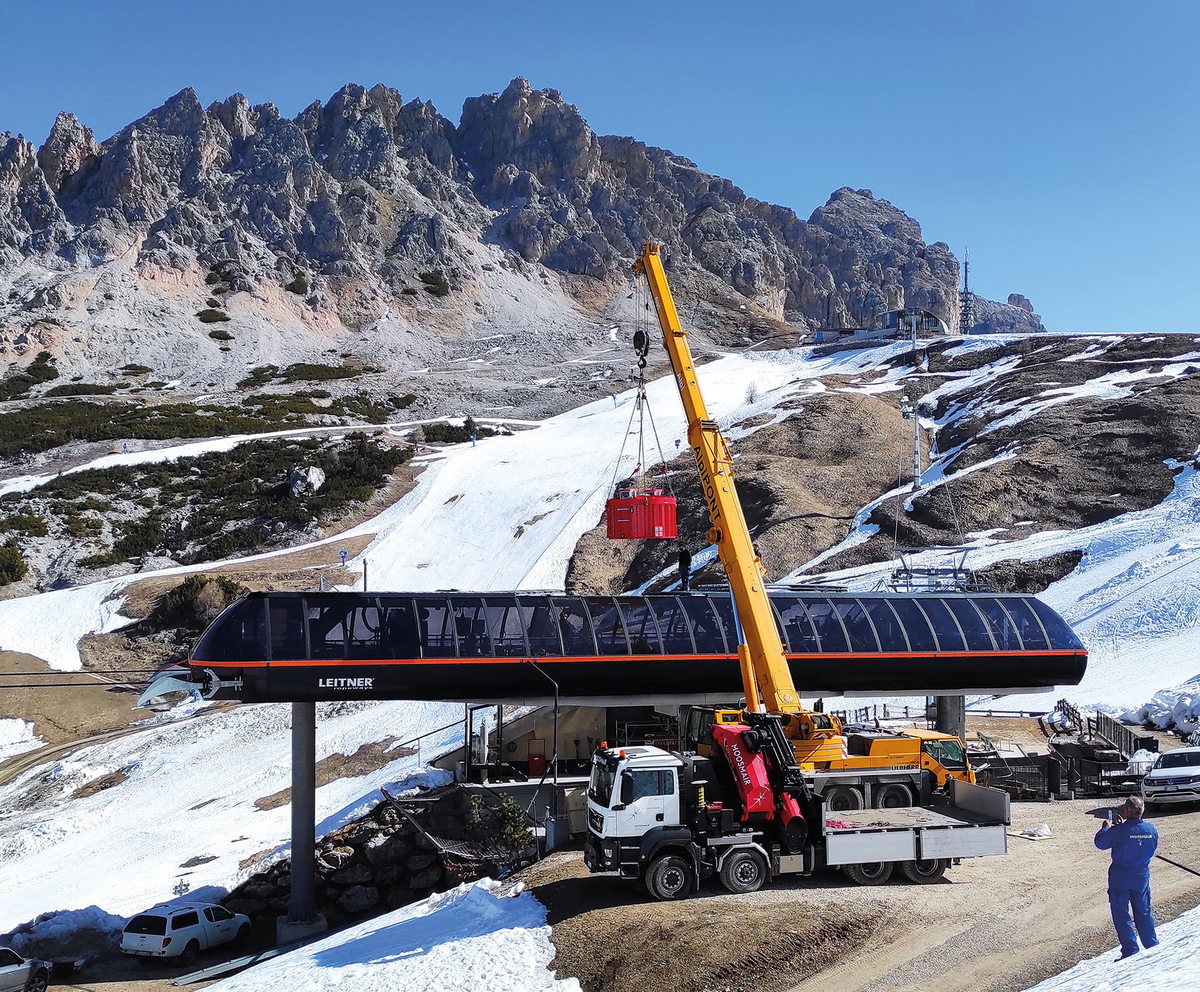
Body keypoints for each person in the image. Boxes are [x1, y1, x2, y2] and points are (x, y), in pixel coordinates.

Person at [1094, 795, 1159, 960]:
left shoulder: (1118, 831)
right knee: (1144, 911)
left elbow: (1100, 843)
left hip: (1121, 877)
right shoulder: (1151, 830)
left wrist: (1106, 828)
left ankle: (1130, 949)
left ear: (1127, 811)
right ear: (1141, 812)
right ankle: (1151, 944)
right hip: (1141, 876)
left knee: (1121, 913)